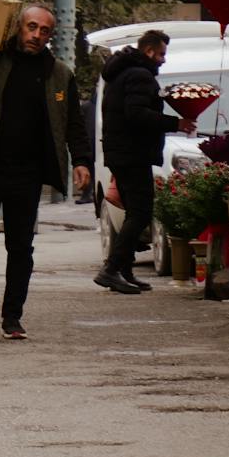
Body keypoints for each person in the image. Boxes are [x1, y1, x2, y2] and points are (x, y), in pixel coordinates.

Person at [0, 5, 92, 340]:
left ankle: (13, 316)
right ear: (18, 27)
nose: (37, 35)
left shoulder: (59, 74)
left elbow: (73, 123)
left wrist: (82, 160)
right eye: (31, 27)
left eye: (44, 31)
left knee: (21, 246)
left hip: (27, 173)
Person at [96, 29, 195, 293]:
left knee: (133, 212)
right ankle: (112, 269)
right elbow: (137, 114)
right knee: (140, 212)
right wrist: (176, 123)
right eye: (161, 53)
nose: (163, 59)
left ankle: (124, 271)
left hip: (121, 152)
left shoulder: (123, 72)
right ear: (149, 51)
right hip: (132, 153)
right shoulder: (140, 75)